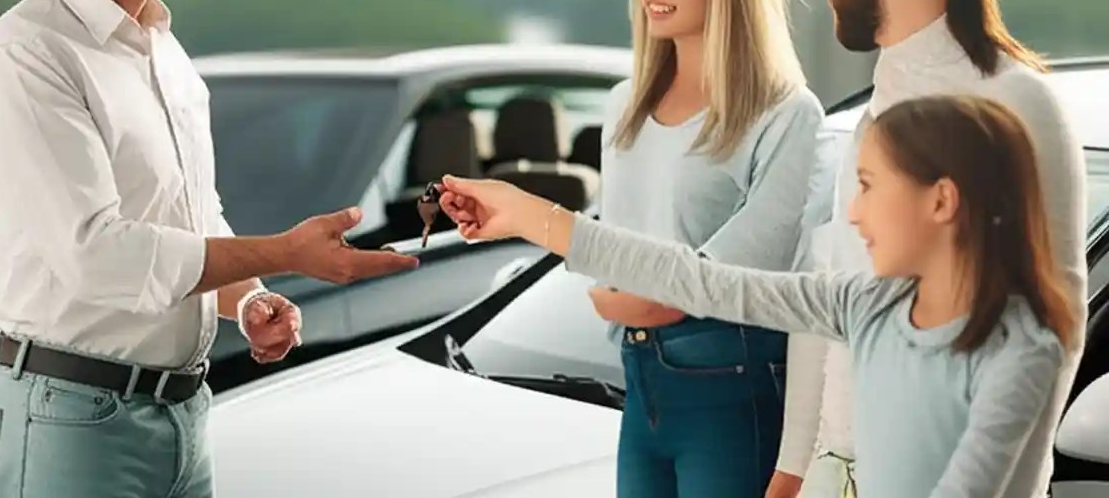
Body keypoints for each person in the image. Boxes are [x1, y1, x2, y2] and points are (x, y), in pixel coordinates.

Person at [0, 0, 417, 498]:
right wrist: (285, 253)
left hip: (182, 420)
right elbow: (96, 256)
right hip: (72, 430)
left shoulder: (162, 49)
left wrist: (247, 296)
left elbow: (189, 215)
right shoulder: (26, 60)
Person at [434, 92, 1078, 497]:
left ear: (941, 199)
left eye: (870, 186)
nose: (852, 215)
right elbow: (704, 281)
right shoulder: (864, 305)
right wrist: (530, 216)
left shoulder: (1024, 349)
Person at [767, 0, 1088, 497]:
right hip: (839, 475)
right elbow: (831, 297)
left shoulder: (1017, 103)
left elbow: (1057, 331)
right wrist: (795, 471)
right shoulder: (871, 118)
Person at [589, 0, 833, 498]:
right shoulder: (624, 107)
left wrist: (642, 295)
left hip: (730, 382)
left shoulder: (785, 114)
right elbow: (608, 253)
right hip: (638, 380)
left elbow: (753, 267)